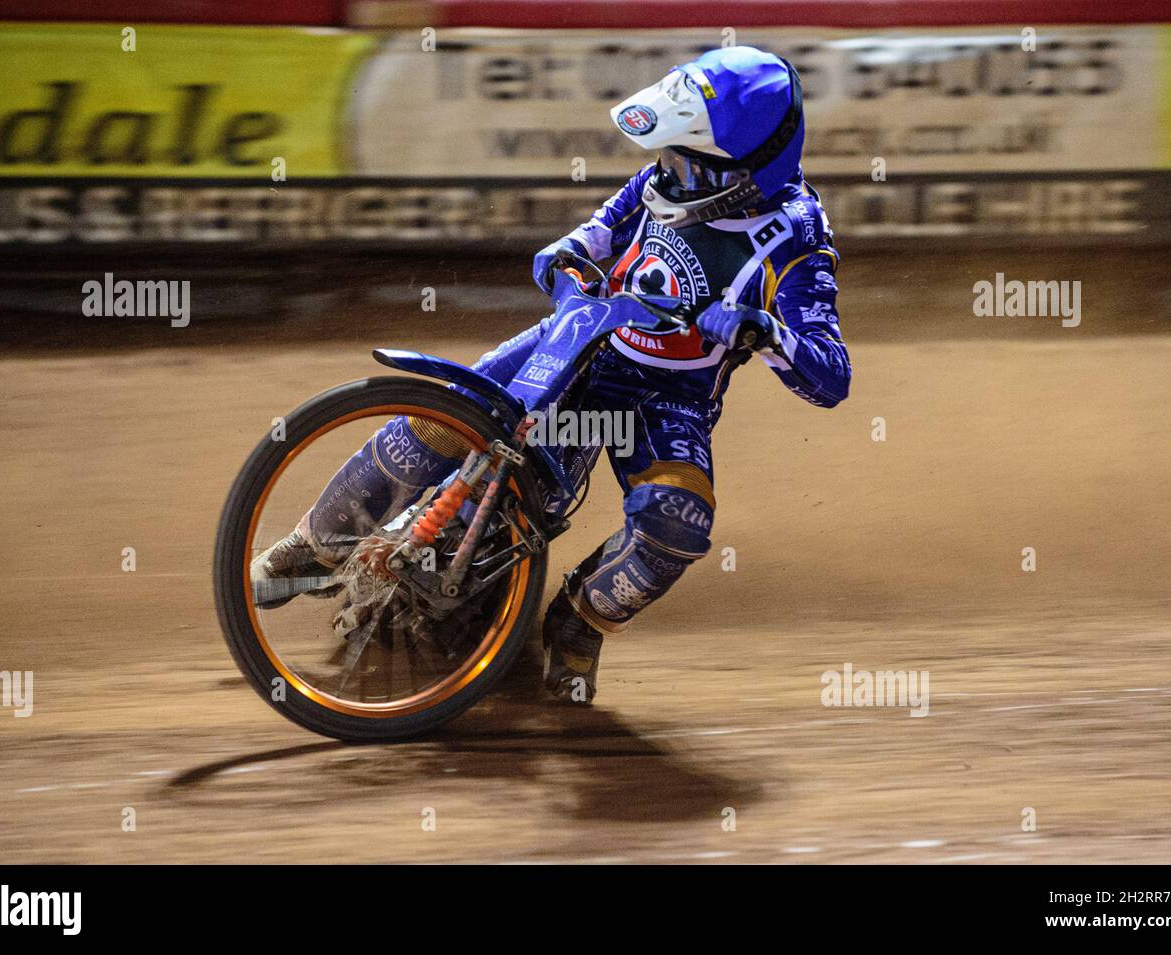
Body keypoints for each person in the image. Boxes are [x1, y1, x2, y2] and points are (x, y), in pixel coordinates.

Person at [253, 46, 851, 704]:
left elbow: (830, 374)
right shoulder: (661, 184)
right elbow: (594, 233)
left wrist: (762, 331)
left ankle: (578, 619)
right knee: (448, 414)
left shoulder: (796, 236)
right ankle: (315, 544)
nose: (667, 174)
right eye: (667, 156)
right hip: (582, 338)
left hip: (664, 400)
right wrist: (566, 255)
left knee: (677, 523)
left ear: (741, 172)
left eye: (685, 161)